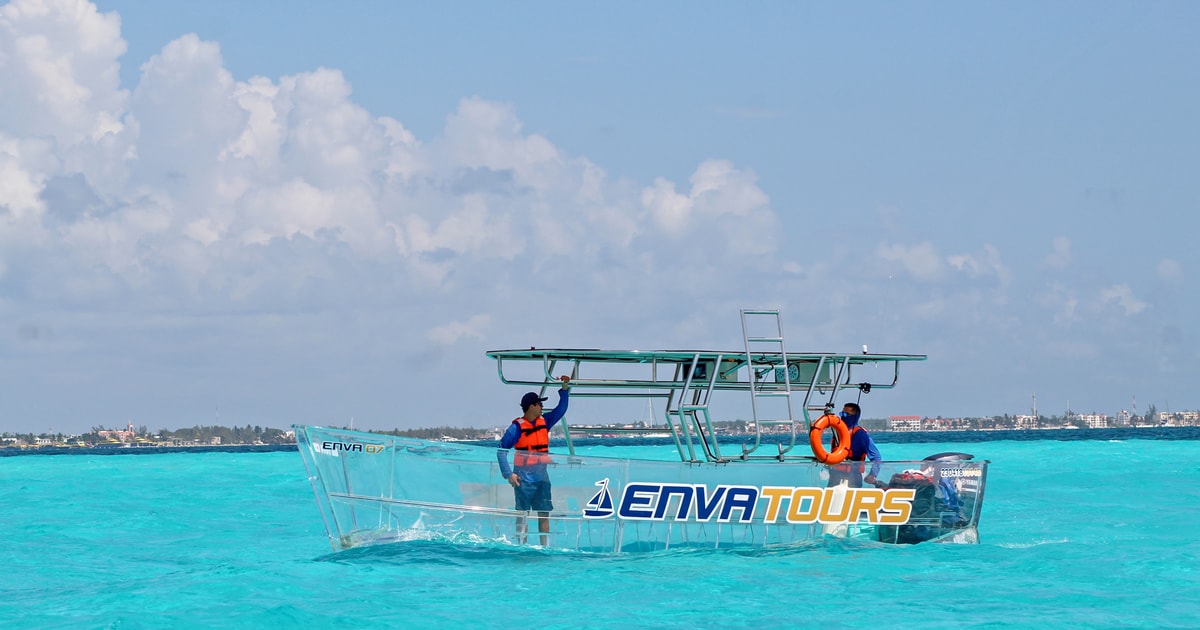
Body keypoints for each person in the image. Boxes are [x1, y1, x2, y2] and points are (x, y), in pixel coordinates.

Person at [496, 375, 570, 545]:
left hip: (542, 479)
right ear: (532, 406)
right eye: (540, 404)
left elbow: (562, 409)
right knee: (523, 515)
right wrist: (509, 475)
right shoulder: (516, 428)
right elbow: (501, 451)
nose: (542, 407)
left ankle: (545, 546)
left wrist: (564, 389)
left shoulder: (546, 421)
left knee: (544, 513)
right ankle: (522, 546)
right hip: (522, 479)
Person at [828, 402, 886, 488]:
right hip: (835, 475)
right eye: (841, 413)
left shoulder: (860, 434)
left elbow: (876, 456)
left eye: (846, 414)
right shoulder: (839, 432)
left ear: (854, 416)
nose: (843, 416)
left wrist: (872, 474)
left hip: (852, 477)